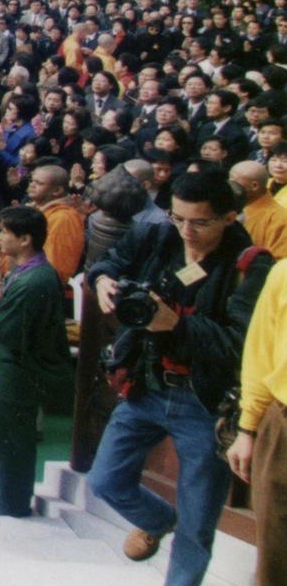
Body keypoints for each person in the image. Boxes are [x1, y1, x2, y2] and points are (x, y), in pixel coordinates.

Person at [86, 167, 273, 586]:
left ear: (229, 218)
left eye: (200, 222)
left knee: (197, 522)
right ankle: (156, 519)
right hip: (145, 385)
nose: (187, 229)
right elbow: (108, 261)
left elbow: (240, 345)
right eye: (179, 217)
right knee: (104, 481)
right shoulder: (159, 236)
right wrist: (102, 280)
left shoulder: (250, 265)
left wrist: (176, 325)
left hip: (205, 403)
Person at [0, 205, 74, 517]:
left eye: (5, 232)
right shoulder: (23, 271)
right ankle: (7, 488)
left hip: (22, 370)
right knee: (6, 435)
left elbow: (4, 327)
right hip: (11, 366)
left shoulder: (35, 281)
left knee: (14, 437)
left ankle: (14, 502)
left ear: (25, 238)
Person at [226, 258, 287, 586]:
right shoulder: (283, 274)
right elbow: (260, 354)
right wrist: (247, 429)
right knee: (276, 561)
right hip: (283, 428)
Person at [229, 159, 287, 259]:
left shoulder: (280, 218)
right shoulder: (225, 207)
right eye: (229, 179)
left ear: (254, 186)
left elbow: (279, 262)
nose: (230, 184)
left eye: (234, 181)